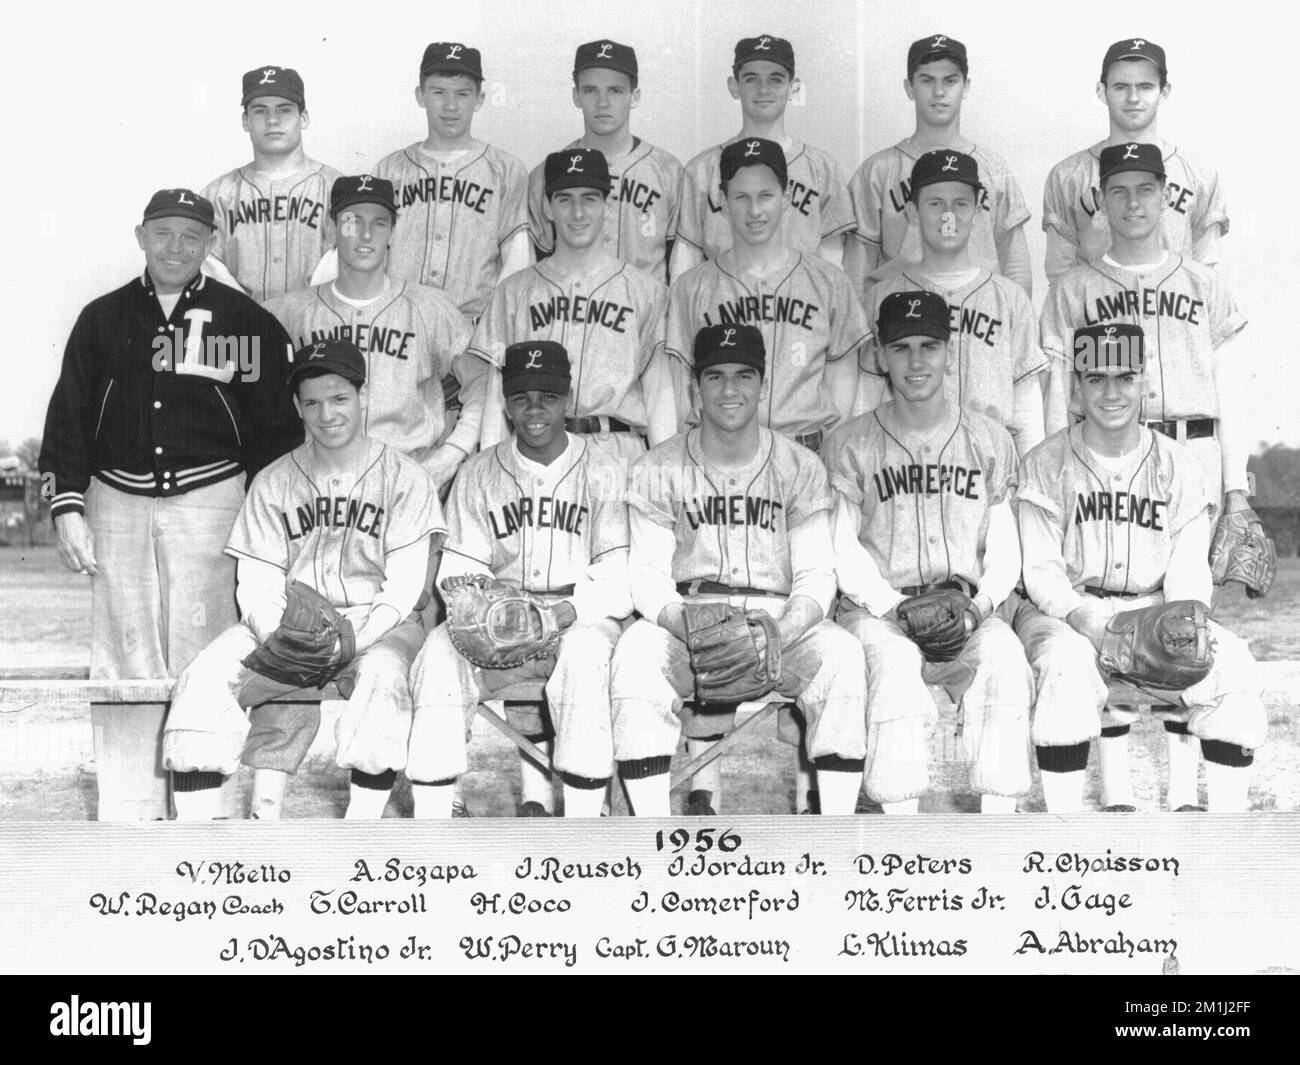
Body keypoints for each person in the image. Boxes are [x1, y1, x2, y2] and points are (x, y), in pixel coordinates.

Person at [39, 189, 299, 736]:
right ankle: (127, 811)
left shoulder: (245, 322)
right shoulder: (102, 318)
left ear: (212, 243)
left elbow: (275, 433)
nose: (175, 247)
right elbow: (69, 417)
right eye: (163, 233)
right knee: (122, 656)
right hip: (116, 502)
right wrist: (66, 506)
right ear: (141, 237)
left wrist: (265, 519)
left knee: (207, 653)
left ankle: (202, 806)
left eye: (190, 235)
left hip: (211, 502)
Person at [667, 135, 874, 812]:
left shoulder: (826, 279)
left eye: (767, 194)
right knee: (718, 607)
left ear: (788, 197)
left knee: (808, 617)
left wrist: (818, 453)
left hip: (801, 456)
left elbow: (845, 380)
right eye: (740, 195)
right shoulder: (695, 286)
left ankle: (819, 784)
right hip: (719, 461)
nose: (754, 208)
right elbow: (678, 385)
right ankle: (703, 784)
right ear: (719, 201)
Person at [162, 339, 444, 820]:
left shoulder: (406, 477)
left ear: (364, 397)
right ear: (297, 406)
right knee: (203, 678)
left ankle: (363, 828)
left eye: (339, 398)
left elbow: (404, 588)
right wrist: (279, 636)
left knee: (383, 677)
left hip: (378, 625)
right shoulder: (273, 481)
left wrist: (353, 639)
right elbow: (255, 581)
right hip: (286, 624)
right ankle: (195, 843)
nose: (326, 413)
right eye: (311, 401)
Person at [610, 323, 866, 816]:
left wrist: (781, 631)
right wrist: (682, 624)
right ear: (696, 387)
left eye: (744, 376)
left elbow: (816, 574)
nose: (730, 390)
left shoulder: (800, 465)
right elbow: (646, 575)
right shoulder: (656, 466)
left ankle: (837, 830)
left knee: (842, 657)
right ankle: (649, 832)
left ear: (763, 384)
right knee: (635, 657)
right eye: (715, 377)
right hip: (690, 614)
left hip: (778, 618)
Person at [1015, 324, 1266, 812]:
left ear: (1145, 382)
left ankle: (1225, 838)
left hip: (1155, 605)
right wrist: (1087, 621)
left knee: (1234, 669)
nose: (1111, 393)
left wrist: (1184, 616)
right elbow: (1042, 573)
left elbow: (1188, 563)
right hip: (1069, 610)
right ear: (1075, 387)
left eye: (1125, 377)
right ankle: (1065, 836)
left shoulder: (1177, 464)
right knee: (1066, 667)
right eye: (1096, 378)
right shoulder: (1045, 463)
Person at [825, 291, 1032, 814]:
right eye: (901, 348)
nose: (916, 362)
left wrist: (981, 608)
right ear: (879, 353)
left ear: (949, 350)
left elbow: (1005, 550)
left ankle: (998, 828)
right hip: (880, 613)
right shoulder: (850, 442)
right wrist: (890, 607)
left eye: (929, 346)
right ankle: (900, 834)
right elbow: (843, 550)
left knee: (1004, 660)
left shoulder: (988, 437)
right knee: (893, 666)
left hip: (966, 609)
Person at [406, 341, 631, 818]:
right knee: (439, 652)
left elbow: (616, 577)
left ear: (566, 399)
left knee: (587, 654)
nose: (534, 410)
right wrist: (490, 613)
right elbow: (460, 569)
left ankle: (586, 815)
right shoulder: (478, 471)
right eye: (521, 397)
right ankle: (436, 808)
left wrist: (561, 614)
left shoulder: (607, 469)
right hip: (499, 619)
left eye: (547, 397)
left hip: (579, 615)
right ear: (505, 403)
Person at [263, 175, 476, 492]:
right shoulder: (288, 313)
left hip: (406, 484)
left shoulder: (431, 308)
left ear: (392, 231)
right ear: (333, 228)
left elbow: (485, 385)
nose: (365, 234)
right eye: (351, 221)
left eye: (379, 223)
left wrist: (451, 454)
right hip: (315, 489)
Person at [468, 148, 672, 458]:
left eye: (589, 199)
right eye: (565, 200)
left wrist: (666, 476)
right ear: (548, 208)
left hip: (616, 451)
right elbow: (497, 397)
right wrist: (493, 465)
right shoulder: (513, 292)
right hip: (535, 451)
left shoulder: (647, 291)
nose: (578, 213)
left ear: (606, 205)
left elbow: (659, 397)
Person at [864, 150, 1046, 459]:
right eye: (935, 204)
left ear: (976, 211)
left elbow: (1027, 408)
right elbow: (865, 402)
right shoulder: (881, 298)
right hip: (903, 465)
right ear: (912, 212)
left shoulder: (1010, 298)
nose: (948, 216)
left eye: (960, 204)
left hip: (990, 464)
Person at [845, 34, 1032, 300]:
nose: (939, 92)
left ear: (965, 86)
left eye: (950, 80)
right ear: (909, 87)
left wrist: (1015, 322)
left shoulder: (993, 169)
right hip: (903, 323)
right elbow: (857, 269)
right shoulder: (878, 171)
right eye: (927, 80)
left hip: (980, 319)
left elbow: (1015, 265)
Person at [1042, 38, 1228, 287]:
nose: (1133, 97)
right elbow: (1060, 277)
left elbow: (1207, 276)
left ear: (1164, 92)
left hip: (1174, 313)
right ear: (1101, 91)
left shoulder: (1200, 174)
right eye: (1120, 87)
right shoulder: (1068, 175)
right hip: (1099, 317)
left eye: (1145, 86)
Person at [671, 34, 853, 281]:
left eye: (776, 80)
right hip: (722, 302)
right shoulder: (703, 168)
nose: (764, 89)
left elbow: (832, 264)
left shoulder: (821, 168)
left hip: (799, 306)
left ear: (793, 87)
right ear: (734, 86)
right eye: (751, 79)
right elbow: (686, 259)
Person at [372, 43, 532, 320]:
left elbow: (518, 263)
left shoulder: (506, 170)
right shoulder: (389, 170)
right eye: (438, 92)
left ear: (479, 99)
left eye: (462, 94)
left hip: (472, 323)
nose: (450, 105)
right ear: (420, 95)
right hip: (398, 321)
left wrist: (491, 329)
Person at [526, 40, 682, 282]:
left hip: (648, 315)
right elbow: (535, 270)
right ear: (576, 96)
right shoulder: (546, 174)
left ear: (634, 96)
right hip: (570, 314)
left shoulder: (668, 171)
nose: (603, 102)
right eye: (590, 90)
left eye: (616, 90)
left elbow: (681, 267)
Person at [202, 66, 341, 300]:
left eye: (284, 110)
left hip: (319, 325)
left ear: (304, 118)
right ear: (245, 121)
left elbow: (348, 261)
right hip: (243, 328)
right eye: (259, 111)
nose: (272, 120)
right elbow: (207, 266)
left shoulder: (338, 189)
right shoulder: (216, 196)